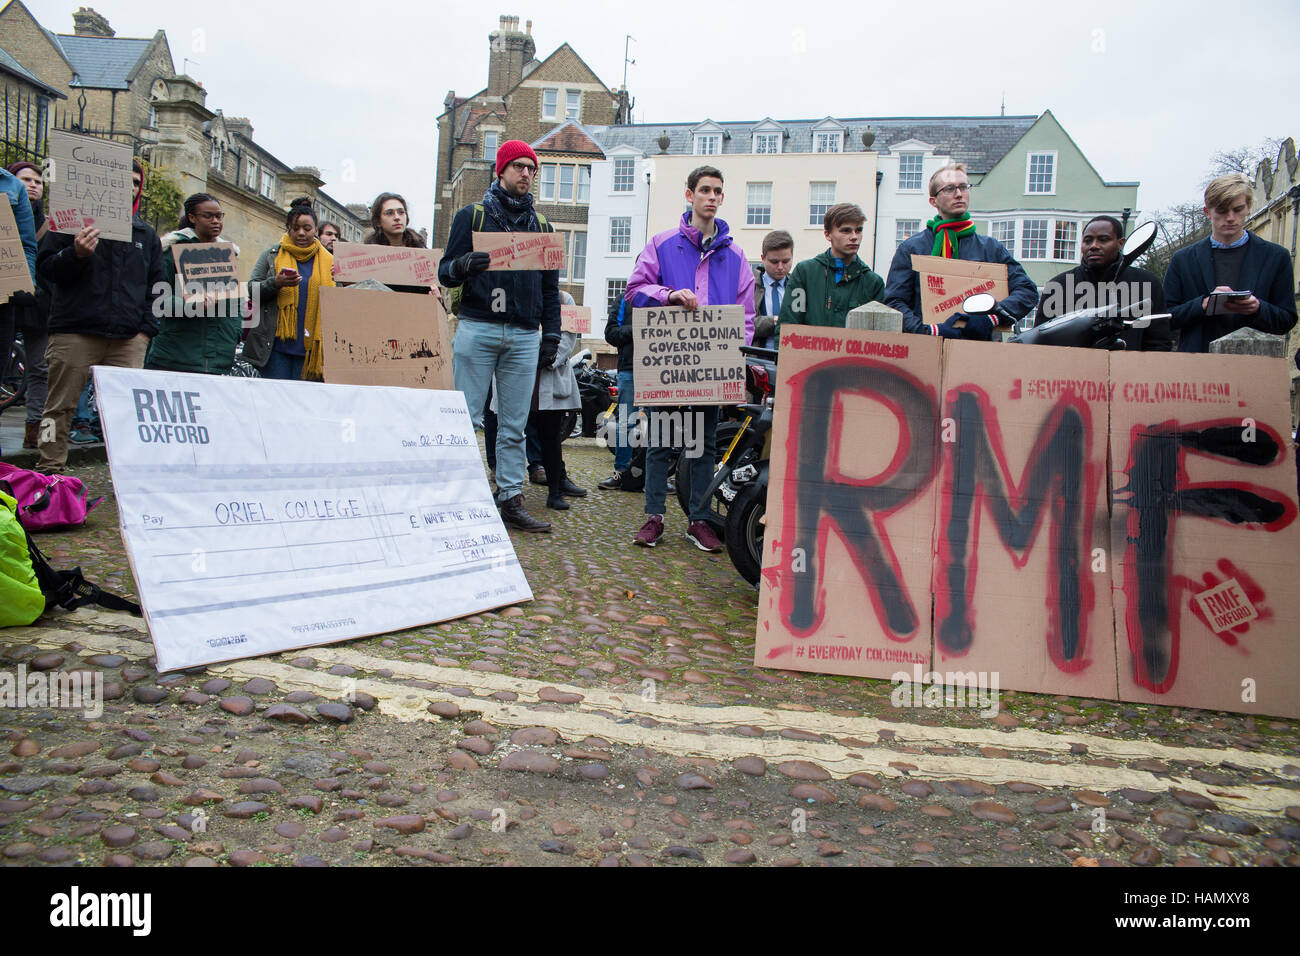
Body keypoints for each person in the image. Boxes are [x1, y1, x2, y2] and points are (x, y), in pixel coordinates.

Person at [625, 164, 755, 552]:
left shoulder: (735, 256)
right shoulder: (663, 244)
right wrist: (670, 295)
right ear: (689, 195)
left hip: (711, 366)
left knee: (702, 445)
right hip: (669, 360)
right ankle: (654, 517)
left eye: (718, 191)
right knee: (660, 442)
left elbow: (745, 315)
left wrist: (736, 361)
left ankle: (698, 520)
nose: (712, 197)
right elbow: (635, 290)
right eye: (705, 190)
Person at [439, 139, 560, 533]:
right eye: (519, 166)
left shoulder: (542, 226)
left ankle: (510, 498)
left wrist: (552, 334)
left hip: (525, 335)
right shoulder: (471, 216)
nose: (527, 173)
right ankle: (454, 494)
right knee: (464, 418)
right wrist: (462, 266)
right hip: (478, 326)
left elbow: (549, 288)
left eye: (532, 168)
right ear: (501, 170)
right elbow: (443, 272)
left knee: (513, 424)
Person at [34, 159, 163, 473]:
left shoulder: (146, 234)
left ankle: (127, 474)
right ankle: (49, 469)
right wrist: (75, 254)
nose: (130, 188)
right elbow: (46, 268)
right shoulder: (71, 222)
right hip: (74, 331)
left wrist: (145, 330)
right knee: (58, 408)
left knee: (127, 413)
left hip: (127, 339)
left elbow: (157, 286)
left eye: (136, 182)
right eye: (124, 181)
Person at [885, 162, 1038, 338]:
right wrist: (927, 331)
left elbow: (1027, 291)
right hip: (927, 348)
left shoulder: (991, 248)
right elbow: (894, 301)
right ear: (933, 201)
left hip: (979, 350)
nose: (958, 194)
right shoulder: (911, 248)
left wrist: (991, 318)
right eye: (949, 188)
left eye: (963, 187)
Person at [1164, 173, 1298, 352]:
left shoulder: (1276, 257)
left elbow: (1286, 320)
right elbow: (1163, 318)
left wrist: (1257, 308)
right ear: (1207, 212)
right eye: (1222, 211)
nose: (1230, 218)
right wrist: (1203, 305)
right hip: (1197, 366)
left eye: (1237, 209)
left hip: (1254, 365)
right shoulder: (1183, 259)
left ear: (1249, 206)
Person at [1036, 215, 1172, 351]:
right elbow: (1040, 343)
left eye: (1103, 239)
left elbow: (1158, 343)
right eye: (1088, 241)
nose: (1094, 246)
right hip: (1072, 370)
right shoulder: (1058, 286)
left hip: (1129, 369)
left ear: (1120, 243)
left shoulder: (1147, 282)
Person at [146, 193, 244, 374]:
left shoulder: (227, 255)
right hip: (176, 356)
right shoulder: (170, 252)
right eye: (208, 216)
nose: (216, 221)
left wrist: (235, 332)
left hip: (217, 357)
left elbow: (234, 301)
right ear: (192, 218)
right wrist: (190, 305)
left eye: (219, 216)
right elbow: (156, 298)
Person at [246, 198, 335, 380]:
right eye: (295, 229)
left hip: (312, 351)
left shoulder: (331, 262)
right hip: (276, 349)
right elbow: (252, 290)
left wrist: (342, 281)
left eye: (307, 229)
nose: (301, 233)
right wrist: (276, 283)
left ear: (316, 230)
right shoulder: (271, 255)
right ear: (288, 229)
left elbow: (341, 302)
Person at [780, 204, 885, 329]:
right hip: (811, 348)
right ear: (827, 234)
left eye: (859, 230)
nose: (854, 237)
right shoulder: (805, 273)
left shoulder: (873, 282)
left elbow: (878, 336)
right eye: (846, 230)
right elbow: (788, 324)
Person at [4, 161, 44, 450]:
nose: (33, 185)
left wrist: (23, 281)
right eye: (28, 179)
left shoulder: (11, 186)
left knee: (38, 367)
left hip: (9, 297)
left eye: (38, 180)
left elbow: (26, 246)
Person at [598, 294, 639, 491]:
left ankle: (655, 475)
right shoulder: (625, 299)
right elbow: (611, 333)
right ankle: (620, 472)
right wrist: (639, 329)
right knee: (626, 423)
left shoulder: (670, 298)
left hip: (660, 371)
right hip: (630, 369)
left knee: (661, 422)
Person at [364, 192, 440, 298]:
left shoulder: (423, 256)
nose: (397, 217)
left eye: (401, 212)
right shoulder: (366, 257)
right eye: (389, 213)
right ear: (378, 221)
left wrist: (436, 300)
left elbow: (436, 304)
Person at [751, 230, 793, 348]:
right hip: (756, 360)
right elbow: (740, 325)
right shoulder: (749, 286)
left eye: (785, 261)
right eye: (774, 262)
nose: (780, 267)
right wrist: (774, 321)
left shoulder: (799, 287)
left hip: (790, 358)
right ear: (763, 258)